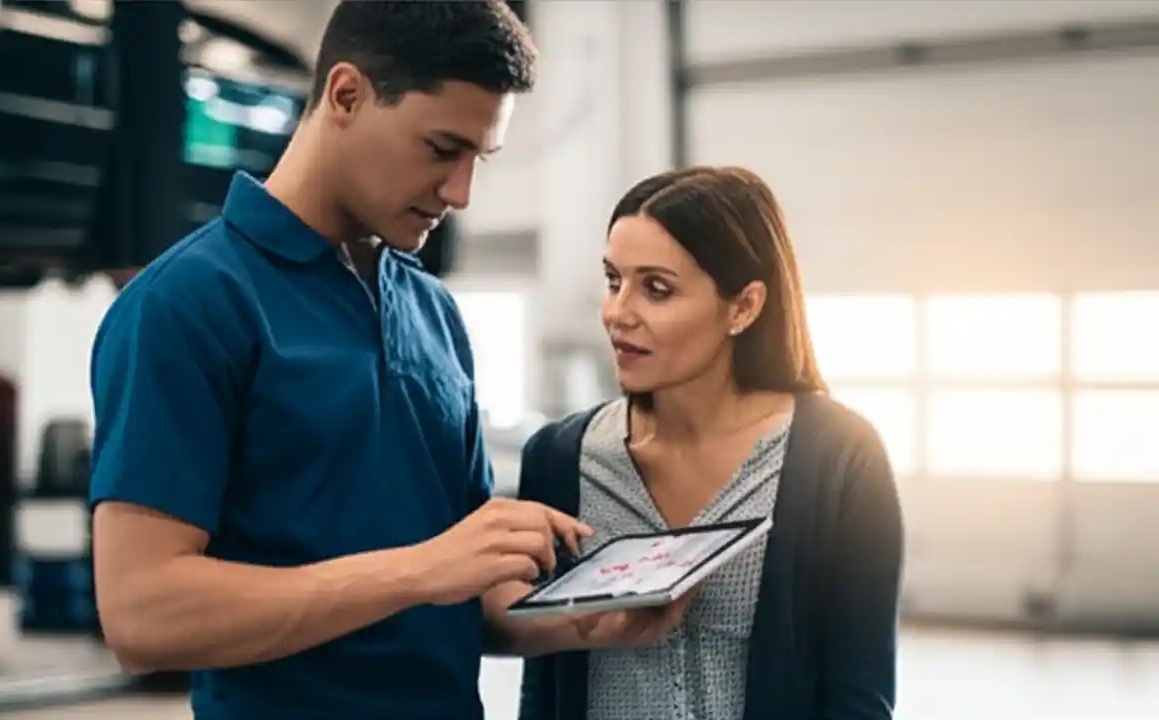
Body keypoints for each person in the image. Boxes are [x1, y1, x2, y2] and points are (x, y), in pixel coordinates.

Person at [88, 3, 684, 719]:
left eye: (477, 161)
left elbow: (463, 596)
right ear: (346, 95)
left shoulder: (435, 314)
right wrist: (421, 570)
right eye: (441, 149)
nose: (460, 193)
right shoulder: (186, 306)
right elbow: (143, 617)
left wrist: (588, 620)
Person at [511, 166, 905, 720]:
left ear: (743, 306)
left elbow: (859, 694)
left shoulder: (840, 457)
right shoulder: (558, 459)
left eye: (657, 288)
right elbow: (543, 687)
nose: (617, 313)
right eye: (613, 279)